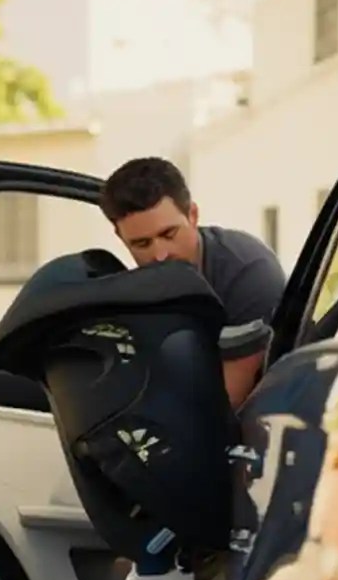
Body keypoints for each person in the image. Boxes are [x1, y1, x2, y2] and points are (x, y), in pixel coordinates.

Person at [99, 156, 286, 409]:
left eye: (169, 234)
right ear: (121, 238)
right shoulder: (137, 290)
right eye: (141, 244)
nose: (160, 254)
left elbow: (227, 405)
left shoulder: (246, 270)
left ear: (193, 215)